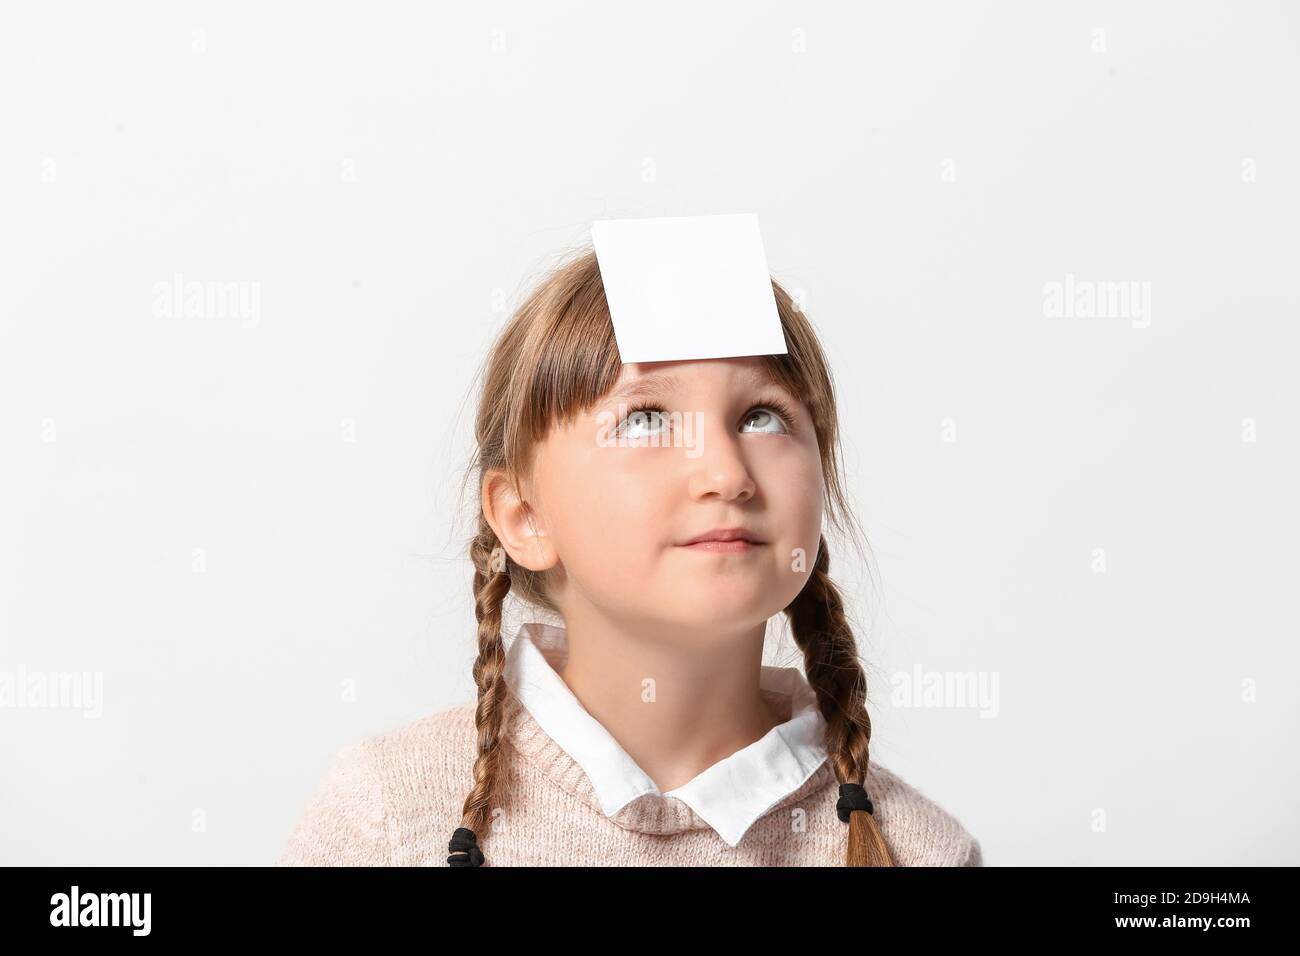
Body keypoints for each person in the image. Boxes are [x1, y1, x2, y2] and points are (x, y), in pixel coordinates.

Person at [277, 247, 982, 867]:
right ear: (524, 517)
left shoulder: (918, 849)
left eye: (761, 416)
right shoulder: (390, 818)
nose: (726, 474)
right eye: (646, 420)